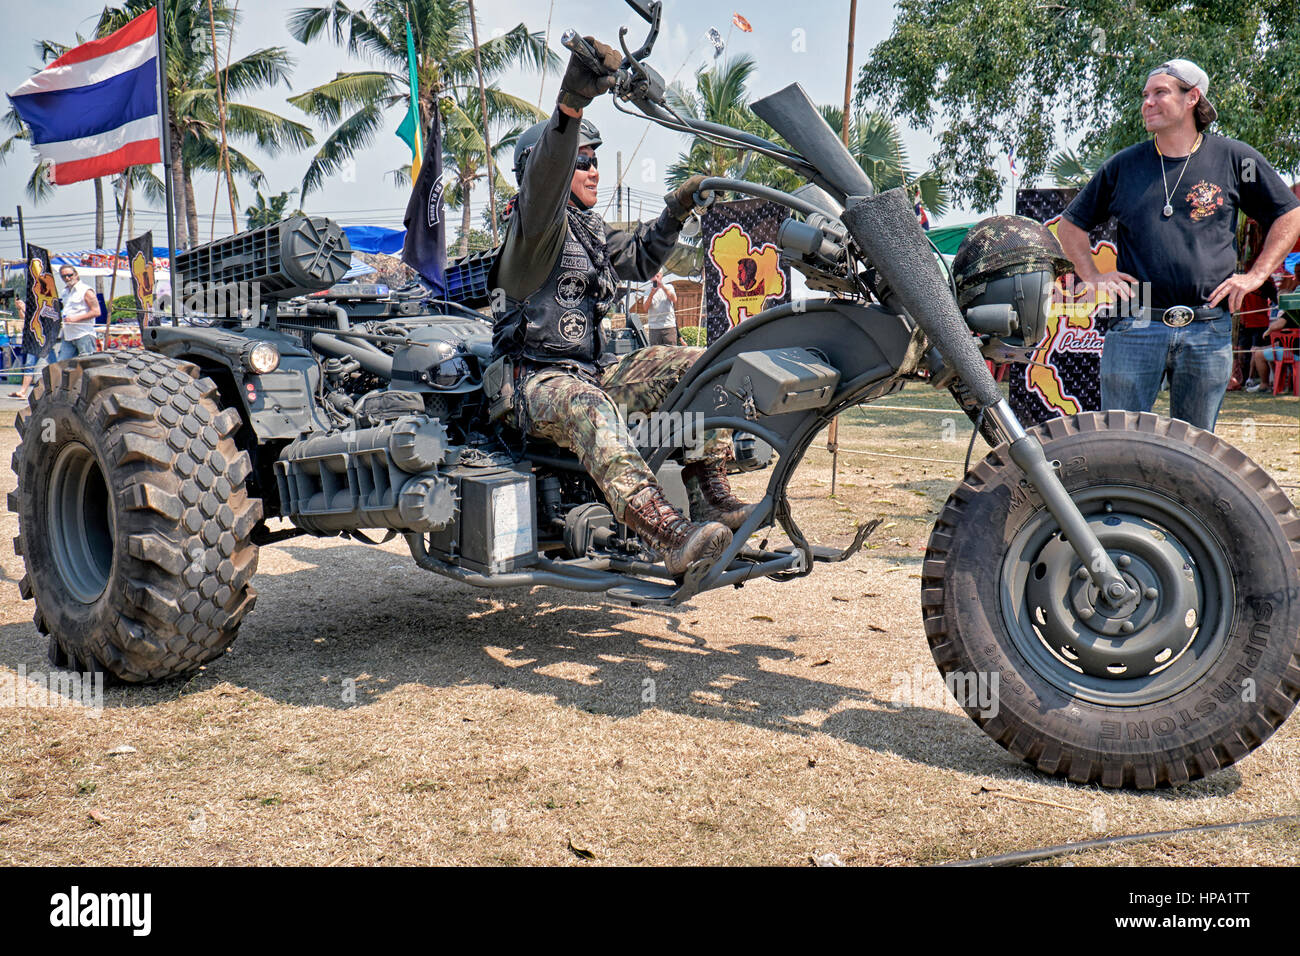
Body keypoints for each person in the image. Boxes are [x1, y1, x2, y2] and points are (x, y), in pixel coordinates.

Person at [488, 35, 754, 575]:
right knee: (589, 408)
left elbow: (638, 258)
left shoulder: (589, 231)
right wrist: (569, 104)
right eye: (580, 161)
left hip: (593, 372)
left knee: (708, 364)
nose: (592, 170)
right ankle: (668, 533)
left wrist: (677, 208)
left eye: (594, 160)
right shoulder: (533, 228)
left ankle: (710, 492)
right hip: (533, 382)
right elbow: (544, 182)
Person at [1056, 58, 1300, 431]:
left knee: (1197, 450)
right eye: (1145, 95)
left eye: (1160, 93)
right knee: (1120, 439)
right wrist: (1091, 276)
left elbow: (1289, 214)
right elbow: (1071, 225)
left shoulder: (1235, 159)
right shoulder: (1123, 166)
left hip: (1207, 324)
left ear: (1192, 98)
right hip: (1135, 322)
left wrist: (1257, 275)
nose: (1147, 102)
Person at [644, 271, 678, 347]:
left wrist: (662, 287)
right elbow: (645, 308)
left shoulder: (669, 287)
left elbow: (674, 299)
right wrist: (651, 294)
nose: (655, 278)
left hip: (668, 327)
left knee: (671, 353)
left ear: (661, 276)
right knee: (655, 354)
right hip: (654, 328)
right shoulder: (647, 291)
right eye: (653, 276)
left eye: (657, 276)